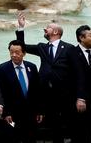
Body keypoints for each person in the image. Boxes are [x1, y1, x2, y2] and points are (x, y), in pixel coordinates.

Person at [16, 12, 77, 143]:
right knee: (54, 127)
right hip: (47, 94)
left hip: (66, 94)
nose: (45, 29)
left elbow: (76, 71)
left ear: (55, 32)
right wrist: (21, 28)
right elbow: (22, 47)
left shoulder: (69, 48)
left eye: (48, 27)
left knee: (72, 125)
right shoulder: (42, 47)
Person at [0, 40, 43, 143]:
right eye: (11, 52)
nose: (14, 55)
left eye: (17, 52)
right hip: (13, 115)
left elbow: (37, 90)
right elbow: (1, 92)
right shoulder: (3, 69)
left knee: (31, 139)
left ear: (24, 53)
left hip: (31, 113)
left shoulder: (32, 67)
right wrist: (6, 113)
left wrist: (39, 110)